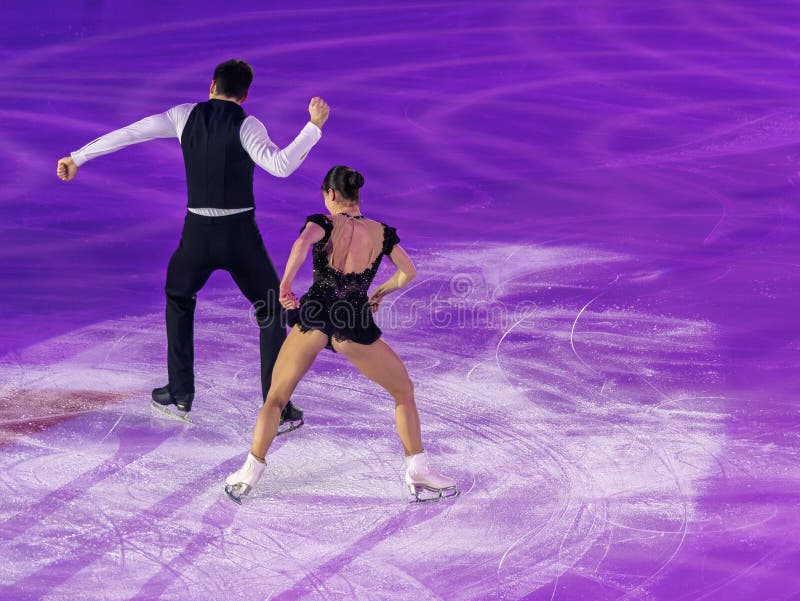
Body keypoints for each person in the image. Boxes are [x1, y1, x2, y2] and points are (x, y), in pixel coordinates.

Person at [56, 59, 329, 431]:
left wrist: (78, 157)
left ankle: (180, 394)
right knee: (270, 308)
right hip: (240, 236)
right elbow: (280, 166)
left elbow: (131, 132)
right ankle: (276, 407)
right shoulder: (248, 124)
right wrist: (312, 128)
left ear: (211, 84)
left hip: (197, 235)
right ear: (245, 95)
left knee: (179, 297)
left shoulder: (183, 115)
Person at [224, 166, 459, 504]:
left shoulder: (324, 222)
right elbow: (408, 272)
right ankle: (418, 472)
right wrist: (379, 293)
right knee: (403, 392)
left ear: (331, 195)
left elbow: (303, 242)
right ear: (356, 195)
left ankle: (250, 473)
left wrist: (286, 285)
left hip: (316, 315)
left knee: (276, 398)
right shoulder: (381, 233)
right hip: (353, 321)